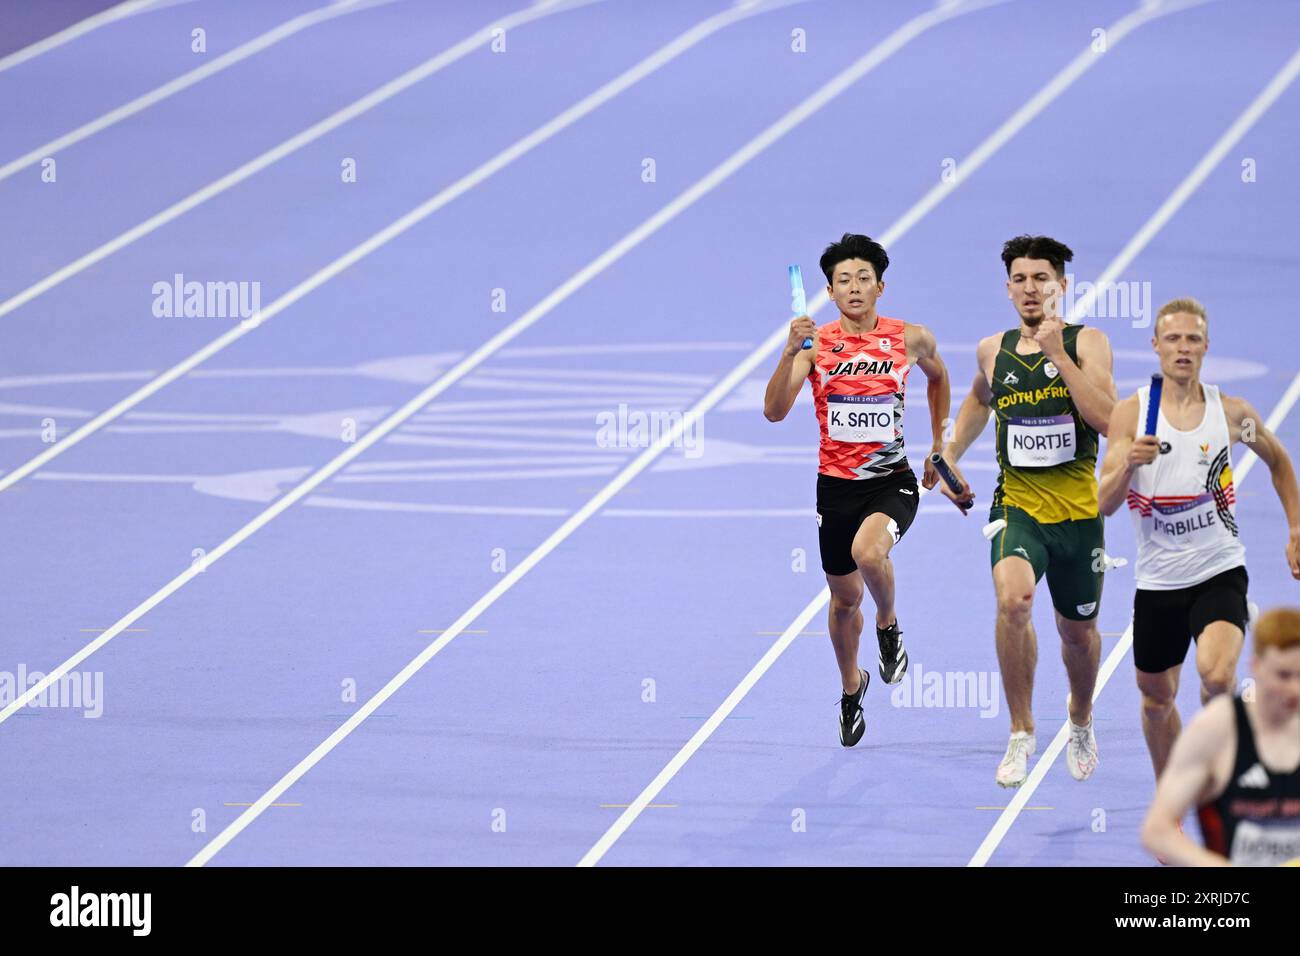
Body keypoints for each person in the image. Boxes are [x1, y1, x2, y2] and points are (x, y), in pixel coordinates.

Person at [937, 235, 1117, 787]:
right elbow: (977, 398)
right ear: (1008, 287)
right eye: (1020, 278)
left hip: (1079, 516)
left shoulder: (1089, 343)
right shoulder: (995, 349)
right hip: (1017, 507)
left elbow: (1109, 419)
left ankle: (1081, 717)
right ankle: (1020, 730)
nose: (1031, 288)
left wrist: (1060, 355)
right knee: (1014, 601)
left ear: (1062, 285)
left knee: (1076, 633)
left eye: (1042, 278)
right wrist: (947, 455)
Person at [1097, 297, 1300, 782]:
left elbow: (1277, 460)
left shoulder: (1232, 414)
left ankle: (1222, 743)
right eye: (1173, 339)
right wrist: (1128, 463)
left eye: (1192, 339)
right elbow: (1103, 502)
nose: (1182, 348)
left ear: (1206, 346)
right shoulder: (1132, 415)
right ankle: (1173, 795)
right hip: (1159, 582)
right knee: (1156, 699)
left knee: (1214, 674)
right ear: (1155, 346)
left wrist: (1295, 528)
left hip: (1219, 569)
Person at [764, 233, 951, 746]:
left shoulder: (910, 338)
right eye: (843, 280)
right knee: (844, 602)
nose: (853, 287)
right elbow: (774, 411)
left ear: (880, 286)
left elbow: (938, 378)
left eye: (863, 278)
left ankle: (889, 626)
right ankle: (852, 687)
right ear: (829, 290)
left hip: (892, 483)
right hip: (836, 491)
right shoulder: (815, 345)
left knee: (870, 554)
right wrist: (787, 353)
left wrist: (940, 441)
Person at [1142, 606, 1300, 866]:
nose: (1294, 689)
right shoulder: (1217, 729)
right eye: (1283, 675)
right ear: (1257, 667)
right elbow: (1157, 831)